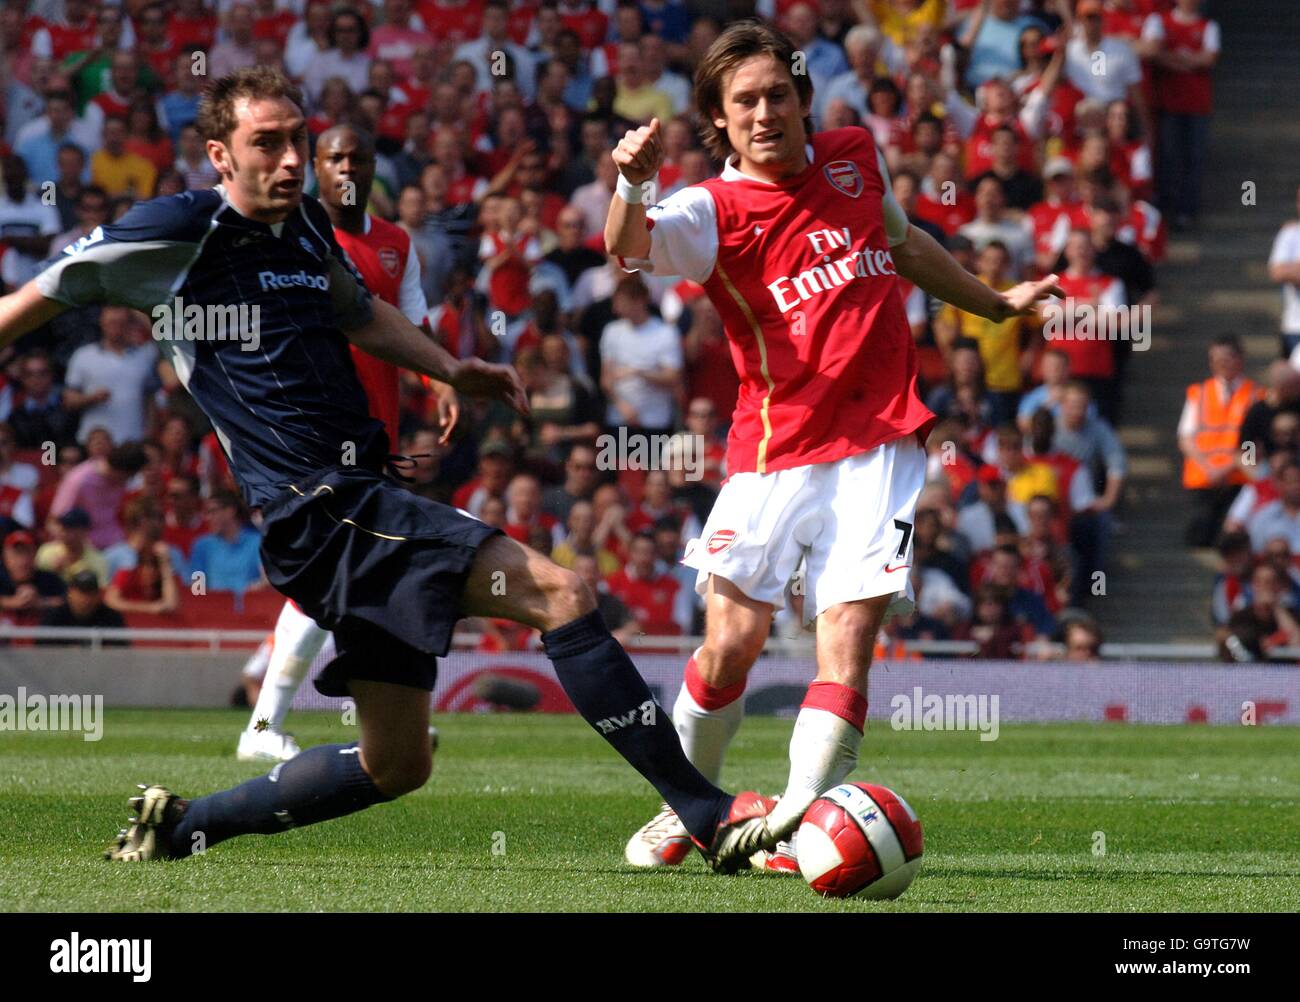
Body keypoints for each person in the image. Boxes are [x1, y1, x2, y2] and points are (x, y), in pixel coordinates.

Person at [1, 67, 765, 870]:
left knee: (396, 764)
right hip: (320, 506)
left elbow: (358, 312)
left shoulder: (301, 229)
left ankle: (184, 825)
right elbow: (41, 294)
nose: (293, 159)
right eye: (269, 144)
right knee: (562, 593)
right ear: (220, 155)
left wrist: (445, 368)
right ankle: (706, 812)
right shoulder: (178, 230)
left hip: (355, 503)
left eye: (298, 139)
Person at [604, 20, 1061, 868]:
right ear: (718, 117)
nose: (765, 112)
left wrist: (995, 303)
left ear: (805, 101)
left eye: (779, 94)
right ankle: (690, 809)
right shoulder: (710, 209)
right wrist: (632, 186)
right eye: (745, 101)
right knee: (729, 647)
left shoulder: (853, 156)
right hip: (774, 449)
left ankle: (795, 825)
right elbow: (624, 247)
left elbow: (905, 242)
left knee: (847, 638)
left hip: (881, 445)